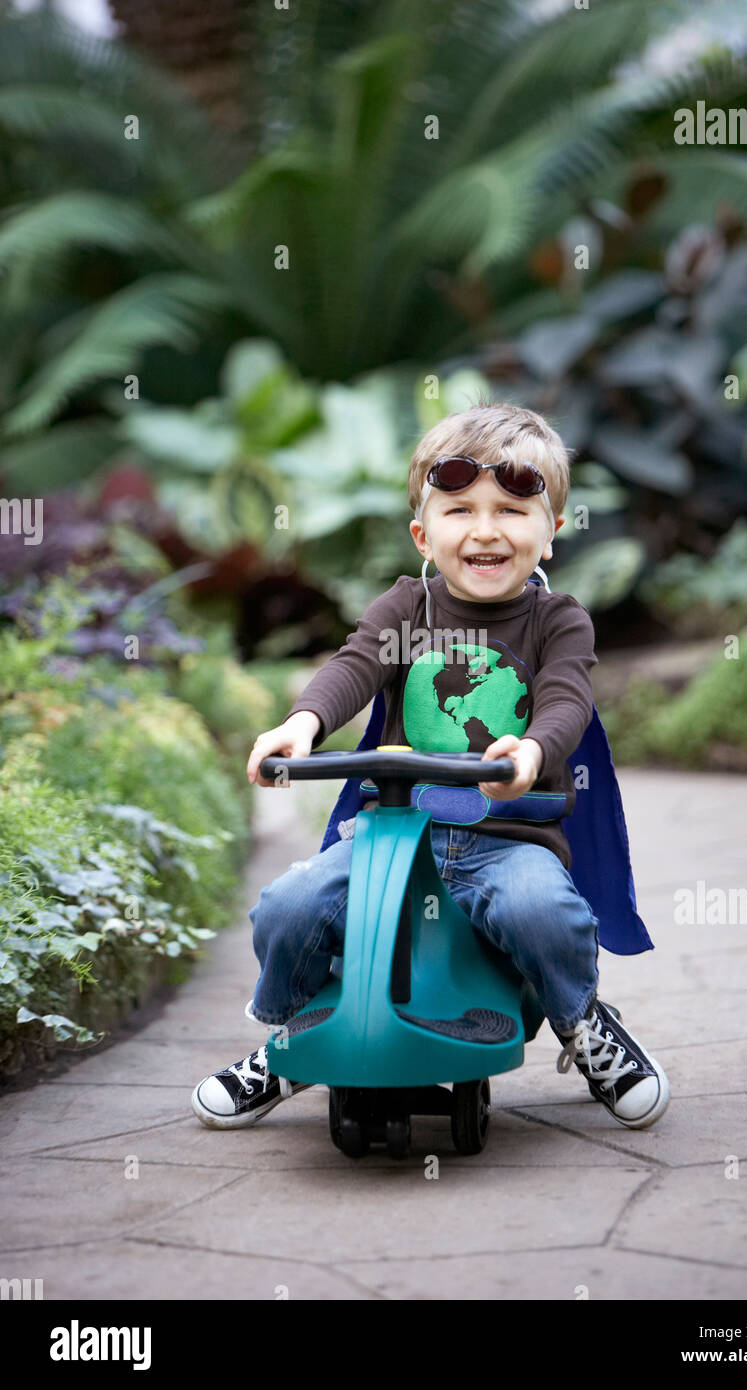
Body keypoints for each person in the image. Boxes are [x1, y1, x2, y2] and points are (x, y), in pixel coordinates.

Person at [191, 403, 670, 1133]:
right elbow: (354, 666)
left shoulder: (557, 621)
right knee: (289, 906)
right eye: (459, 510)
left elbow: (567, 698)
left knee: (543, 911)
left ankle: (580, 1023)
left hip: (507, 836)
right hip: (391, 832)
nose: (484, 529)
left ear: (551, 535)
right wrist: (302, 724)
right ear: (424, 532)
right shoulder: (406, 608)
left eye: (512, 510)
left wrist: (532, 752)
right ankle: (286, 1036)